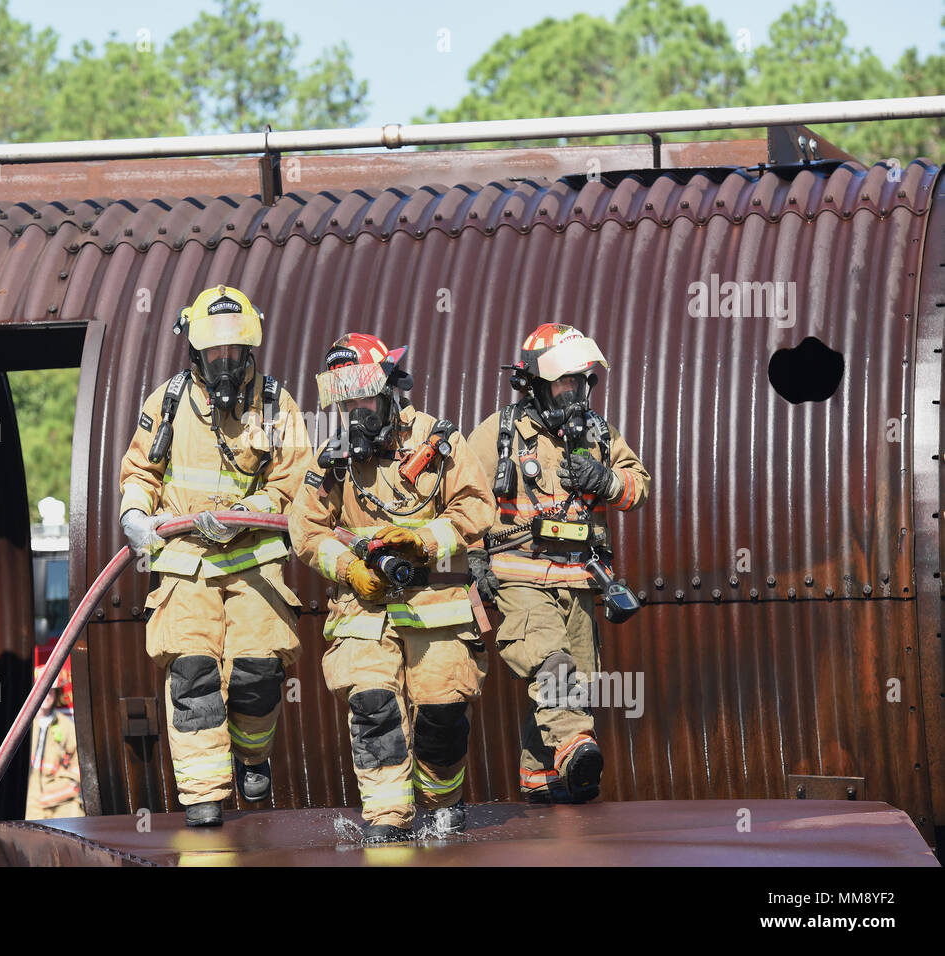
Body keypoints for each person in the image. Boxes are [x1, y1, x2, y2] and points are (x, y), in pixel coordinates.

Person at [118, 285, 312, 827]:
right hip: (186, 565)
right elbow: (140, 472)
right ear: (195, 351)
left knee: (257, 673)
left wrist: (247, 512)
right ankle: (202, 794)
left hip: (254, 564)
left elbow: (296, 484)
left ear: (248, 349)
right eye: (213, 352)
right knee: (193, 674)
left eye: (232, 351)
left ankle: (252, 757)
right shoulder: (168, 402)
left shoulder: (276, 404)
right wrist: (135, 512)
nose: (223, 362)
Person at [288, 333, 495, 844]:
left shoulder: (438, 440)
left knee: (441, 719)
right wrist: (347, 569)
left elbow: (475, 509)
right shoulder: (332, 460)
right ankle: (386, 821)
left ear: (388, 390)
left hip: (437, 605)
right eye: (344, 398)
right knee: (374, 709)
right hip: (365, 609)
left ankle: (443, 800)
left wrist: (422, 540)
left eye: (362, 394)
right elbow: (306, 531)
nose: (354, 408)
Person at [466, 324, 650, 804]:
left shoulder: (598, 433)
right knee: (553, 664)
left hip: (578, 577)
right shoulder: (498, 434)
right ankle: (574, 748)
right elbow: (460, 497)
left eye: (579, 382)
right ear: (534, 384)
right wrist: (473, 555)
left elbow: (639, 486)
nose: (573, 393)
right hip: (520, 576)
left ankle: (541, 777)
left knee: (578, 685)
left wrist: (605, 479)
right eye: (562, 383)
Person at [25, 658, 83, 819]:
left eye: (51, 691)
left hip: (58, 797)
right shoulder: (22, 725)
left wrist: (68, 783)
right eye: (42, 690)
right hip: (29, 795)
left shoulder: (65, 725)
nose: (47, 695)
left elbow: (79, 760)